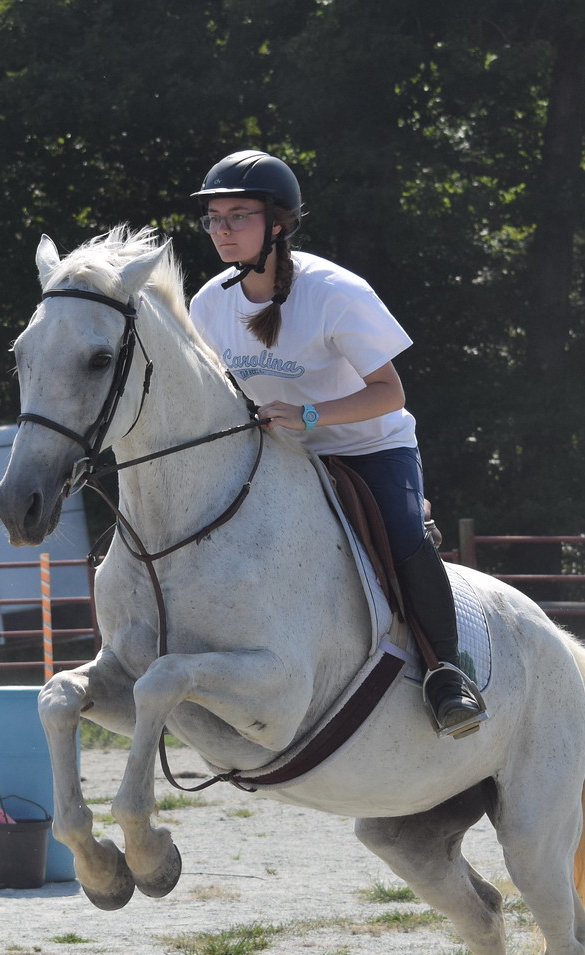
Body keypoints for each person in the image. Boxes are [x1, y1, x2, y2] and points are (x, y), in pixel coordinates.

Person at [185, 149, 487, 737]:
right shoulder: (207, 303)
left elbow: (389, 393)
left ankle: (448, 673)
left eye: (237, 216)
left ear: (277, 224)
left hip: (370, 449)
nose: (222, 230)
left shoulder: (335, 291)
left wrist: (308, 413)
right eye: (213, 219)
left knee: (401, 538)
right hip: (277, 454)